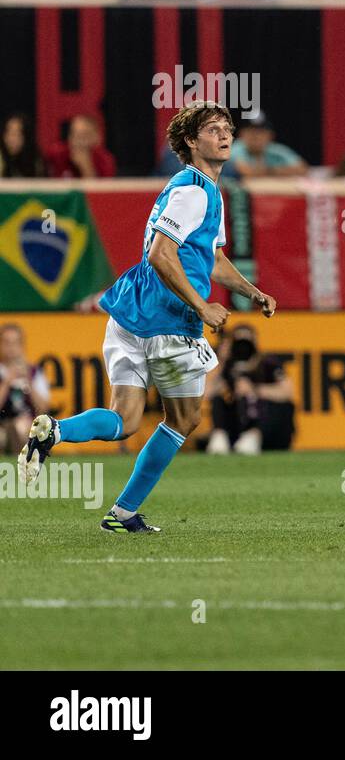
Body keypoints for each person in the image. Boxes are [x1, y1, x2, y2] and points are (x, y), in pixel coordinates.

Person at [18, 104, 278, 533]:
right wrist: (202, 306)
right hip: (168, 319)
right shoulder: (197, 191)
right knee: (184, 419)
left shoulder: (196, 189)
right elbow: (162, 253)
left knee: (125, 419)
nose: (225, 135)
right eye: (213, 129)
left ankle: (55, 432)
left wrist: (252, 291)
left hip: (129, 310)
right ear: (192, 142)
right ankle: (122, 513)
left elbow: (210, 259)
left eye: (227, 128)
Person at [205, 324, 295, 454]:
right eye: (238, 342)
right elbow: (206, 393)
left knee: (281, 405)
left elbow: (288, 392)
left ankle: (253, 435)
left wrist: (254, 390)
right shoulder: (227, 365)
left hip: (265, 427)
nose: (243, 347)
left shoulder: (267, 363)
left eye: (246, 342)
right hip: (235, 424)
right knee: (220, 398)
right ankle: (220, 436)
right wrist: (221, 361)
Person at [0, 323, 50, 454]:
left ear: (22, 346)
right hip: (3, 425)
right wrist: (7, 382)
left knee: (23, 426)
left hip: (26, 425)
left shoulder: (34, 372)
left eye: (15, 343)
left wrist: (29, 382)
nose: (11, 348)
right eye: (6, 343)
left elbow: (44, 408)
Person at [230, 112, 307, 177]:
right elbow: (247, 172)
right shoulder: (236, 148)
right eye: (251, 131)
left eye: (261, 132)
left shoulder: (274, 149)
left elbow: (302, 168)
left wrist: (269, 171)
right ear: (241, 134)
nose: (256, 136)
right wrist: (279, 171)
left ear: (270, 135)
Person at [45, 114, 117, 178]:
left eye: (84, 135)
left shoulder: (105, 160)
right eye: (74, 134)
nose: (79, 141)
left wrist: (86, 168)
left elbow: (101, 191)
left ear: (96, 138)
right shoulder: (57, 154)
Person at [0, 112, 46, 177]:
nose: (11, 139)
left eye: (17, 134)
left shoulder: (35, 162)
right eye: (8, 133)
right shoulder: (2, 158)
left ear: (26, 136)